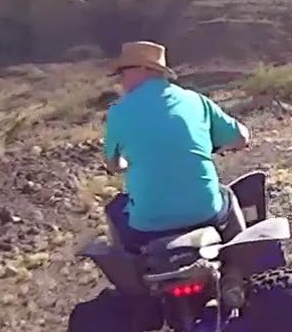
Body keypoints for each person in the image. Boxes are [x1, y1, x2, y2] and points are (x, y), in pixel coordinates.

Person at [101, 41, 250, 252]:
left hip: (148, 227)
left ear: (145, 69)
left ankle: (133, 270)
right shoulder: (197, 101)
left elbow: (112, 164)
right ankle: (241, 255)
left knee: (116, 210)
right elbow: (242, 137)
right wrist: (214, 148)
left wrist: (128, 162)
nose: (121, 81)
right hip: (205, 215)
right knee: (225, 194)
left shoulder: (118, 112)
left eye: (123, 72)